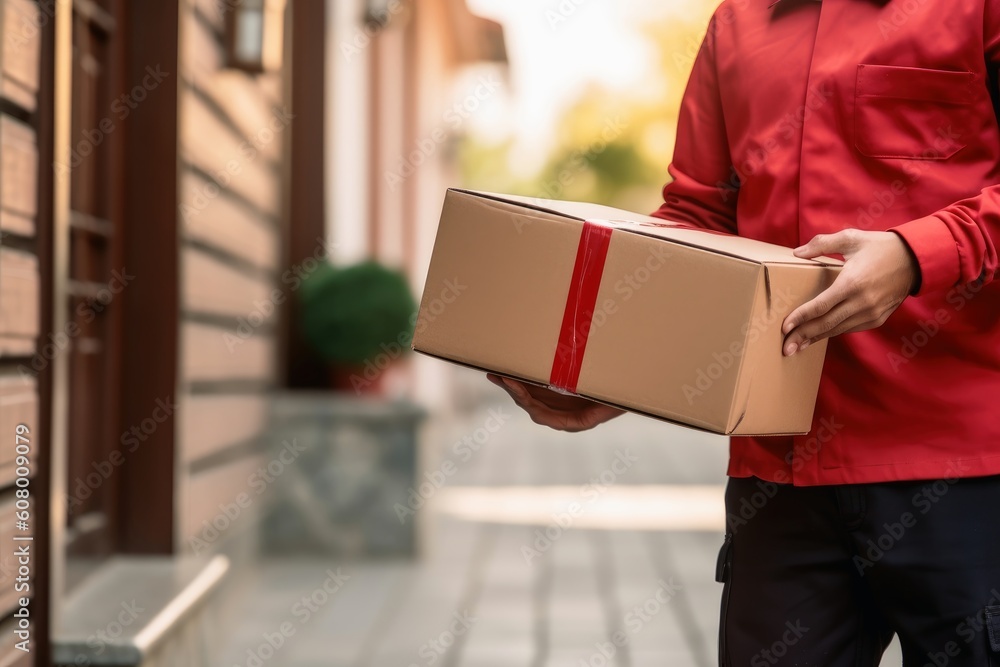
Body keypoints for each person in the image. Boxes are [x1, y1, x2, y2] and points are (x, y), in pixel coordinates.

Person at [488, 0, 1000, 664]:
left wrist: (916, 254)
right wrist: (618, 368)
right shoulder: (737, 24)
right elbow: (700, 215)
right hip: (779, 478)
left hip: (963, 470)